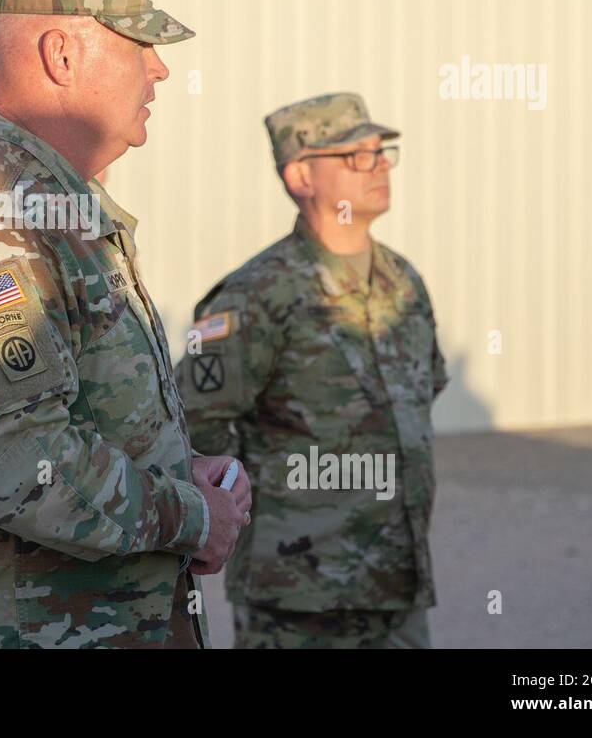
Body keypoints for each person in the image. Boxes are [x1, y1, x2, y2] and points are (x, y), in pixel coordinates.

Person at [0, 0, 250, 649]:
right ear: (62, 55)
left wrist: (173, 467)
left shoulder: (55, 212)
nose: (159, 68)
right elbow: (16, 461)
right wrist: (192, 515)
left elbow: (61, 426)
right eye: (140, 43)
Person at [178, 92, 446, 648]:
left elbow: (420, 399)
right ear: (301, 175)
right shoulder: (256, 296)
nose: (379, 168)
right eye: (356, 156)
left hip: (397, 584)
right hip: (298, 596)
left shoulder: (403, 283)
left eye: (381, 152)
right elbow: (192, 426)